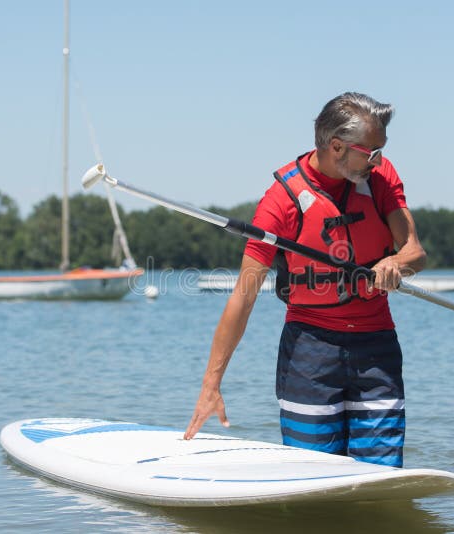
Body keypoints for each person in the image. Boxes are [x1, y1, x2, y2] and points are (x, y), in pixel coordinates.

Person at [183, 92, 427, 467]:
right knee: (313, 472)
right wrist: (210, 385)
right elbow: (243, 298)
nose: (378, 160)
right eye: (371, 151)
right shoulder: (280, 201)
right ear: (336, 146)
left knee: (381, 473)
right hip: (310, 354)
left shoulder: (379, 178)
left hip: (376, 350)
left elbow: (415, 252)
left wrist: (396, 263)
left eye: (381, 150)